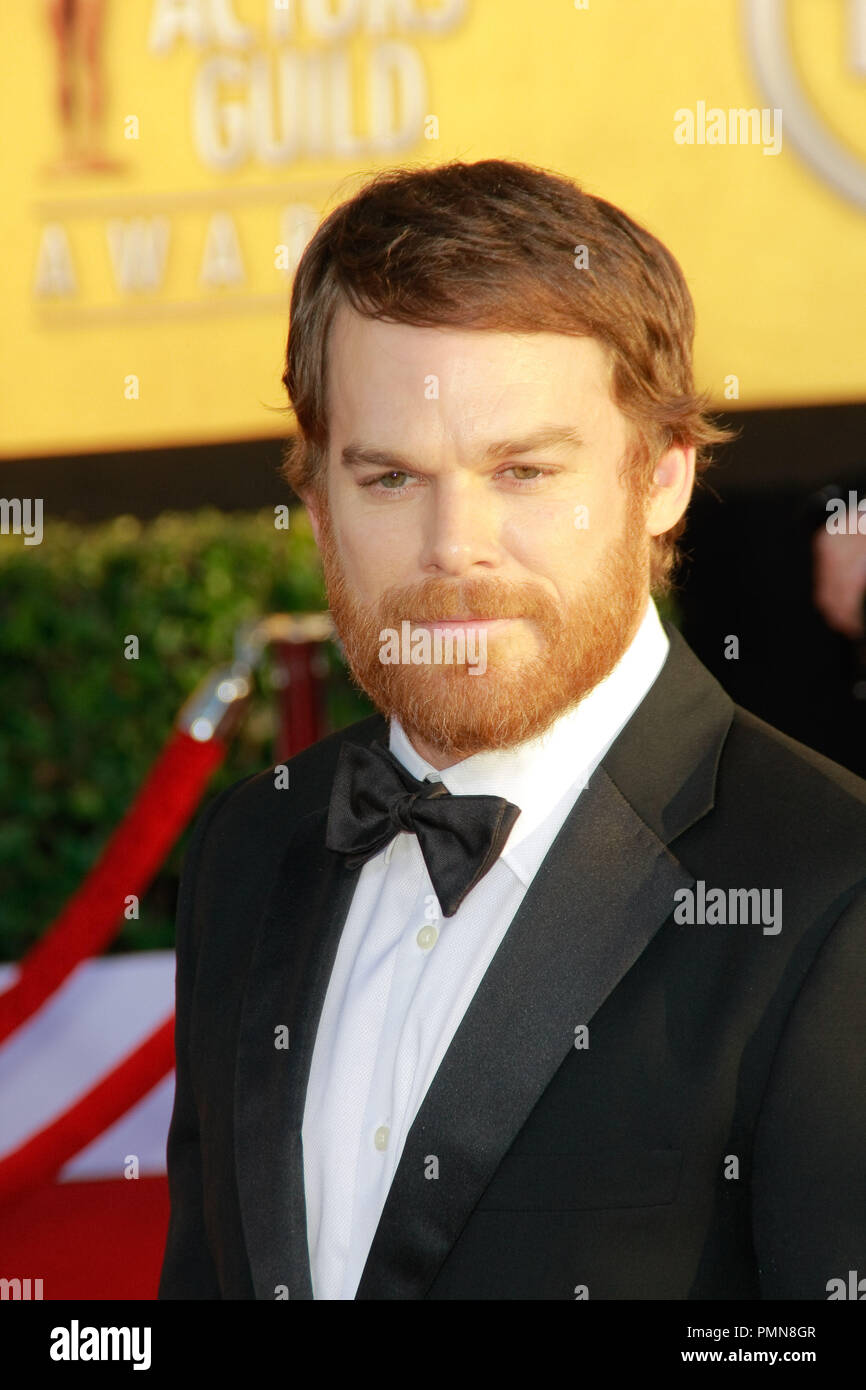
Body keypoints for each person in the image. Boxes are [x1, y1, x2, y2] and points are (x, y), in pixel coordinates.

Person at [158, 158, 866, 1300]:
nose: (454, 548)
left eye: (523, 471)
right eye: (389, 478)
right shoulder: (253, 847)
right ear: (315, 494)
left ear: (663, 478)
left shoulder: (833, 894)